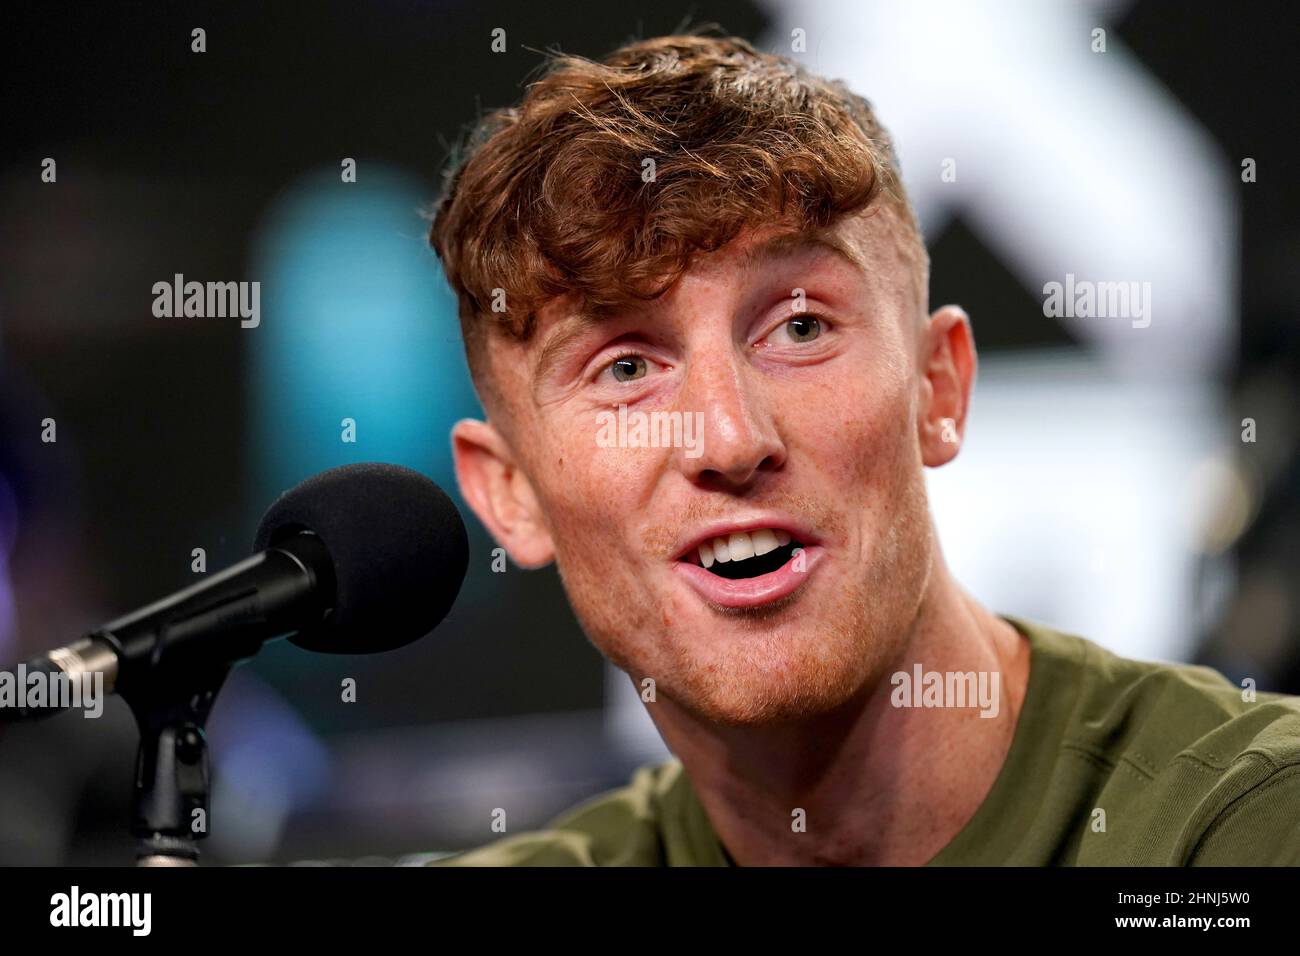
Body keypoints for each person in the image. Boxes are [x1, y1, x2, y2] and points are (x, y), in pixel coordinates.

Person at [424, 32, 1300, 865]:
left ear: (939, 388)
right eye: (623, 368)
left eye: (799, 327)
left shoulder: (1253, 827)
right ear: (511, 495)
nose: (729, 439)